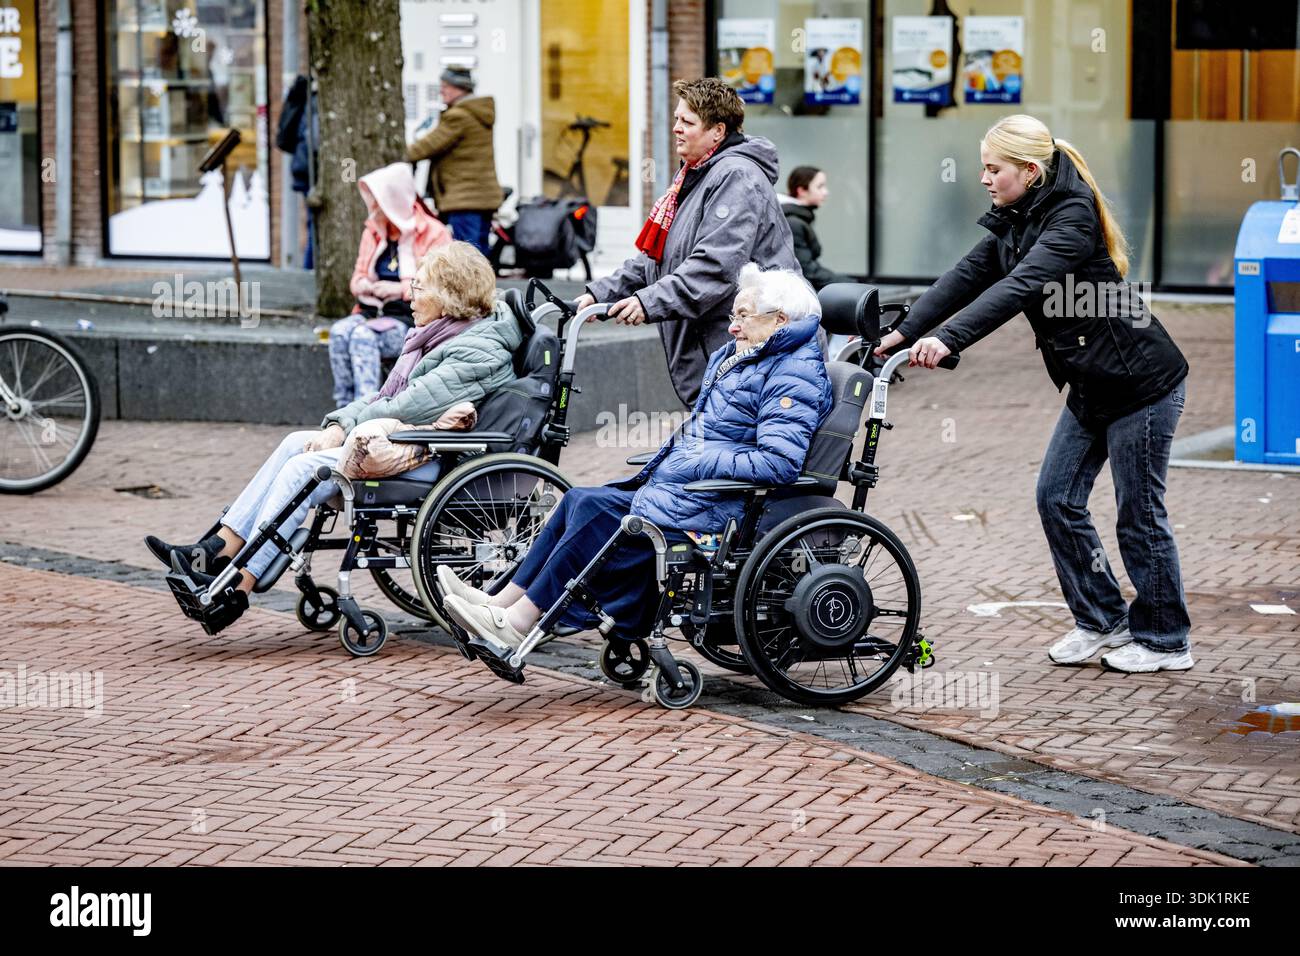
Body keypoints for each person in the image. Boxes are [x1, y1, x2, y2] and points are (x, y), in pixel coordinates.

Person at [874, 114, 1192, 674]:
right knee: (1057, 498)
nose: (984, 178)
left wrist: (949, 339)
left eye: (994, 169)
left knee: (1138, 513)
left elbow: (1019, 286)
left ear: (1029, 169)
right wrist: (902, 331)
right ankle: (1101, 619)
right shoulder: (1016, 214)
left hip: (1141, 382)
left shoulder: (1070, 217)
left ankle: (1166, 639)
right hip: (1093, 382)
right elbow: (969, 272)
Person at [437, 263, 831, 658]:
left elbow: (779, 462)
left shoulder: (793, 372)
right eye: (733, 315)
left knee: (601, 519)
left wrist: (697, 459)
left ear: (779, 320)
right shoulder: (747, 360)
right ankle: (500, 601)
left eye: (743, 316)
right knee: (580, 500)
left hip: (724, 507)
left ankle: (522, 620)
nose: (732, 327)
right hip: (688, 492)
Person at [144, 243, 520, 622]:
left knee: (303, 470)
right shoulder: (443, 334)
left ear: (449, 296)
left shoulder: (476, 349)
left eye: (419, 288)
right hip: (409, 442)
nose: (409, 295)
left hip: (432, 457)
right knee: (294, 444)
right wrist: (338, 424)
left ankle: (238, 585)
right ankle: (216, 548)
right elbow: (386, 400)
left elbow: (402, 407)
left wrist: (340, 432)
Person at [577, 77, 800, 407]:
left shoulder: (735, 176)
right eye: (677, 119)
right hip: (724, 353)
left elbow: (715, 267)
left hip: (752, 354)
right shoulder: (697, 176)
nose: (676, 129)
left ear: (718, 131)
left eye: (687, 122)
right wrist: (602, 292)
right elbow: (661, 256)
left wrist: (646, 303)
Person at [329, 163, 452, 407]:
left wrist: (397, 289)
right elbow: (356, 279)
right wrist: (364, 284)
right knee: (339, 333)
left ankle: (363, 410)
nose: (374, 207)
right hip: (370, 311)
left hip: (410, 318)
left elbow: (440, 288)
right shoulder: (373, 231)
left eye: (380, 200)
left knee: (363, 337)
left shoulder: (434, 233)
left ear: (394, 199)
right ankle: (342, 409)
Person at [407, 66, 503, 257]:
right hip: (479, 197)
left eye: (446, 86)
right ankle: (484, 287)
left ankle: (473, 288)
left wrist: (395, 155)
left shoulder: (459, 116)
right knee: (479, 255)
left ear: (460, 88)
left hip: (465, 199)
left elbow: (427, 146)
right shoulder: (476, 112)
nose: (441, 91)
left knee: (467, 258)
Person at [780, 165, 850, 291]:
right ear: (801, 191)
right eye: (820, 186)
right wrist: (847, 284)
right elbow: (807, 271)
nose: (826, 192)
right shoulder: (793, 222)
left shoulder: (798, 217)